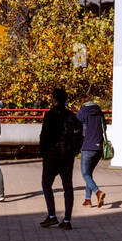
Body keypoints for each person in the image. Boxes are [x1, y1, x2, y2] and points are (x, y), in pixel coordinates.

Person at [38, 88, 83, 230]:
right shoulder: (71, 116)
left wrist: (44, 154)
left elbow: (44, 136)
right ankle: (67, 219)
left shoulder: (50, 115)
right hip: (67, 156)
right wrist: (74, 152)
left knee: (46, 184)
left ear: (54, 99)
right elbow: (79, 136)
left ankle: (52, 215)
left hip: (52, 155)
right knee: (67, 187)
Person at [76, 97, 107, 208]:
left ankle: (98, 192)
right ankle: (87, 200)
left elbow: (76, 128)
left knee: (85, 174)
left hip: (87, 147)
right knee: (89, 174)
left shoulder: (82, 112)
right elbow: (105, 128)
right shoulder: (99, 111)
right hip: (99, 148)